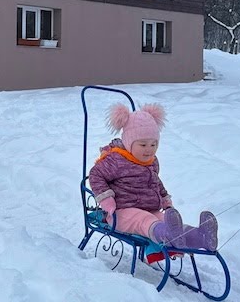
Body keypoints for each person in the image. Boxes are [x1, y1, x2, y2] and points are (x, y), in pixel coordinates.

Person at [88, 103, 219, 250]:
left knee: (165, 221)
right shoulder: (117, 160)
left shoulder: (151, 162)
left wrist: (165, 199)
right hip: (121, 212)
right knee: (145, 220)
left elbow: (155, 182)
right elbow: (95, 175)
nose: (149, 150)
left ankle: (200, 237)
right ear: (129, 142)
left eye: (153, 144)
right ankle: (167, 236)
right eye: (143, 145)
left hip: (150, 208)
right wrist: (106, 199)